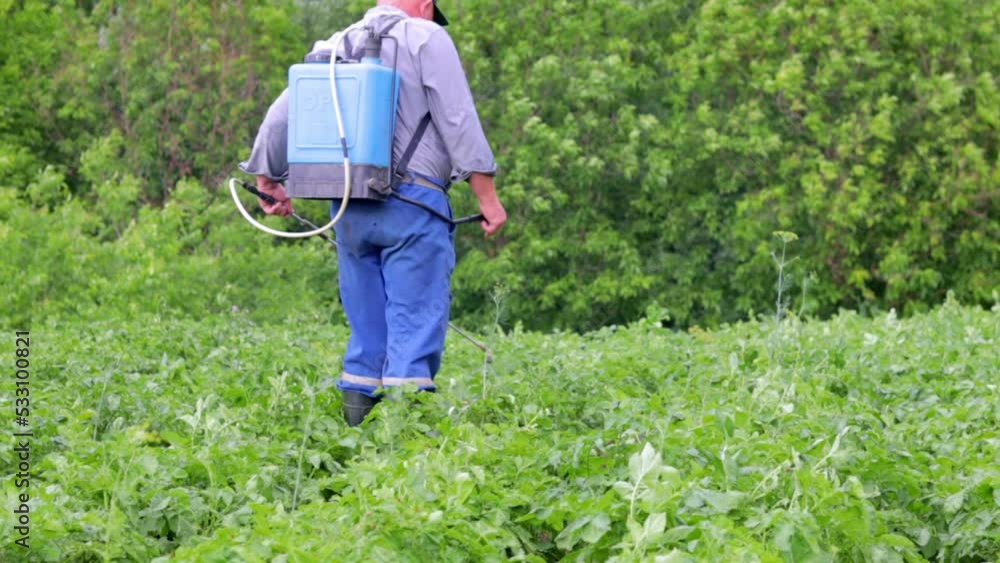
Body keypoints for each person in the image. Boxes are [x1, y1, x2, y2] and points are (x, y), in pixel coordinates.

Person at [239, 0, 506, 426]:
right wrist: (487, 198)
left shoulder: (334, 44)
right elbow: (458, 119)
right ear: (425, 5)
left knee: (368, 330)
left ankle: (356, 440)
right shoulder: (427, 36)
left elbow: (282, 113)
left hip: (349, 210)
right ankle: (402, 453)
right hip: (412, 208)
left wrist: (268, 179)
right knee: (414, 323)